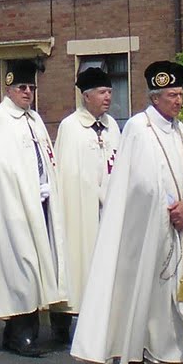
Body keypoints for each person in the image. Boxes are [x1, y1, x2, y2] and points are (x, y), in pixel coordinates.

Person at [71, 61, 183, 364]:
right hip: (149, 228)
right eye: (172, 95)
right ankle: (133, 354)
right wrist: (167, 209)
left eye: (181, 94)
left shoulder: (180, 128)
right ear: (155, 98)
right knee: (144, 290)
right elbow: (139, 182)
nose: (179, 101)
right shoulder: (138, 128)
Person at [0, 61, 68, 358]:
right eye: (22, 88)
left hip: (40, 206)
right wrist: (27, 191)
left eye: (31, 88)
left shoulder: (33, 119)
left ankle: (20, 332)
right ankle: (21, 334)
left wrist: (47, 185)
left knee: (34, 268)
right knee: (23, 269)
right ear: (8, 88)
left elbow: (44, 158)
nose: (28, 93)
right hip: (13, 209)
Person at [52, 66, 121, 340]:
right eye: (103, 92)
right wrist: (95, 193)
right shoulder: (71, 127)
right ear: (87, 96)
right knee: (77, 260)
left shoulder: (112, 126)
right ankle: (64, 318)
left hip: (108, 208)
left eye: (110, 92)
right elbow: (71, 174)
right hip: (81, 209)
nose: (108, 98)